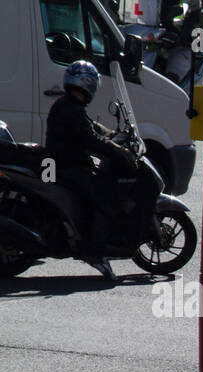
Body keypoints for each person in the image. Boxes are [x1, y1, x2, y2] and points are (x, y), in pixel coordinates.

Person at [45, 61, 139, 280]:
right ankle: (94, 252)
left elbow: (90, 128)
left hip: (64, 163)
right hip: (69, 166)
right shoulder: (70, 108)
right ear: (88, 84)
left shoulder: (69, 105)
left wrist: (112, 134)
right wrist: (117, 150)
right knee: (106, 198)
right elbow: (90, 139)